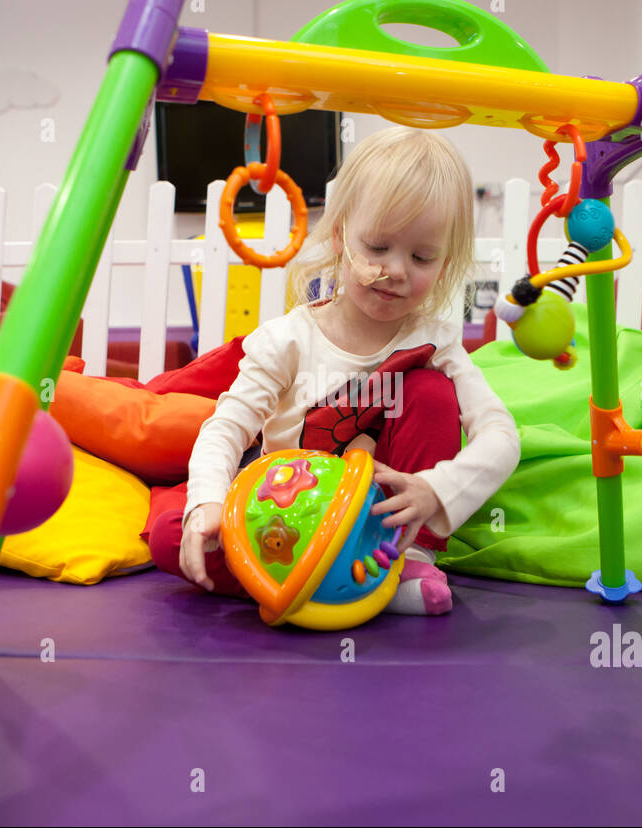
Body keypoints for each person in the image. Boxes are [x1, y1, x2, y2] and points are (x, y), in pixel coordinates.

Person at [148, 126, 520, 615]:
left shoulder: (435, 339)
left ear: (445, 261)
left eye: (422, 257)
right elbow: (226, 428)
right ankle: (325, 585)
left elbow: (501, 435)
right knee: (171, 534)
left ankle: (407, 562)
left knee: (431, 390)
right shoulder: (287, 340)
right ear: (342, 235)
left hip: (380, 532)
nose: (398, 271)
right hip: (287, 527)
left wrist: (437, 490)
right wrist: (209, 504)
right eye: (378, 247)